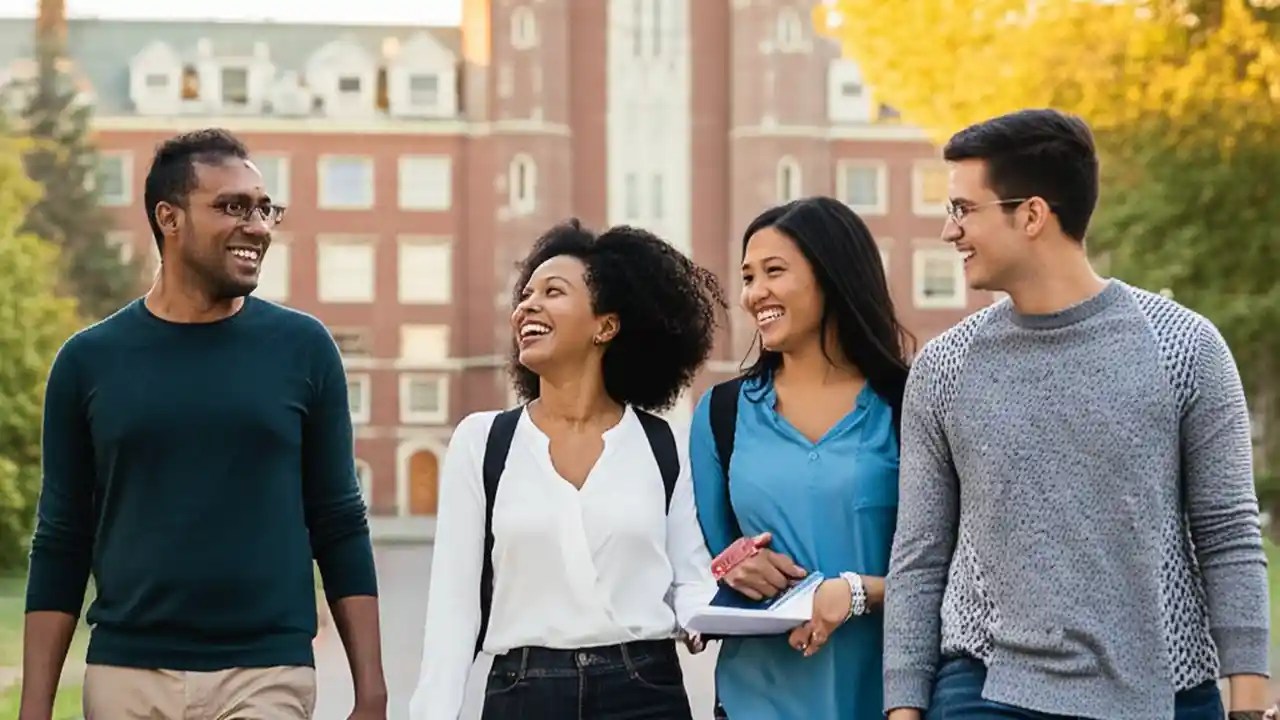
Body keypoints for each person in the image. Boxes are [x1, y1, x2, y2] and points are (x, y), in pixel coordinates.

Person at [883, 108, 1270, 720]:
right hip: (986, 690)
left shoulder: (1184, 347)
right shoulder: (944, 367)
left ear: (1032, 214)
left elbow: (1227, 531)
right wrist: (903, 708)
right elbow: (920, 553)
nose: (949, 230)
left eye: (963, 209)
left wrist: (1249, 703)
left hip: (1164, 691)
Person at [20, 129, 386, 720]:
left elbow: (339, 521)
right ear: (169, 218)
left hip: (265, 671)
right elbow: (62, 538)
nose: (258, 226)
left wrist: (372, 690)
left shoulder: (305, 350)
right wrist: (34, 706)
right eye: (232, 207)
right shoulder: (87, 363)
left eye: (264, 208)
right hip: (128, 674)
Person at [409, 220, 726, 720]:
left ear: (606, 325)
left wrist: (730, 608)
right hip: (523, 695)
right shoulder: (483, 442)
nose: (527, 306)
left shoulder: (662, 444)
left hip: (645, 691)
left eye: (552, 292)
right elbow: (453, 611)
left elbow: (691, 580)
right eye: (525, 294)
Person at [688, 196, 913, 720]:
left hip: (887, 701)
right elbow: (697, 560)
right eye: (748, 277)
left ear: (832, 276)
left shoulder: (909, 404)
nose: (753, 294)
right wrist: (730, 566)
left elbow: (956, 570)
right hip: (755, 699)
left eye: (774, 271)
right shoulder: (720, 414)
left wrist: (859, 592)